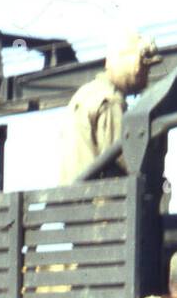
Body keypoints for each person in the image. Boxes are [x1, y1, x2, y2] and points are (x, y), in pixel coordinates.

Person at [59, 31, 162, 184]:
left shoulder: (84, 93)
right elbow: (123, 162)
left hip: (70, 200)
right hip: (98, 201)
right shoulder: (111, 101)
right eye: (145, 67)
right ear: (133, 65)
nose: (147, 74)